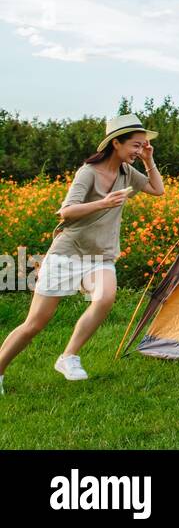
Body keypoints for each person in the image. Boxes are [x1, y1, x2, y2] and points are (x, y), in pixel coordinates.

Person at [0, 115, 164, 393]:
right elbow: (66, 211)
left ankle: (68, 356)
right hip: (67, 253)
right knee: (34, 324)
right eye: (135, 146)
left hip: (100, 255)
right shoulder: (88, 172)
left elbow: (157, 190)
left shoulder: (127, 173)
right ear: (116, 143)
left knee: (105, 297)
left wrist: (149, 160)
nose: (138, 150)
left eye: (142, 146)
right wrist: (103, 203)